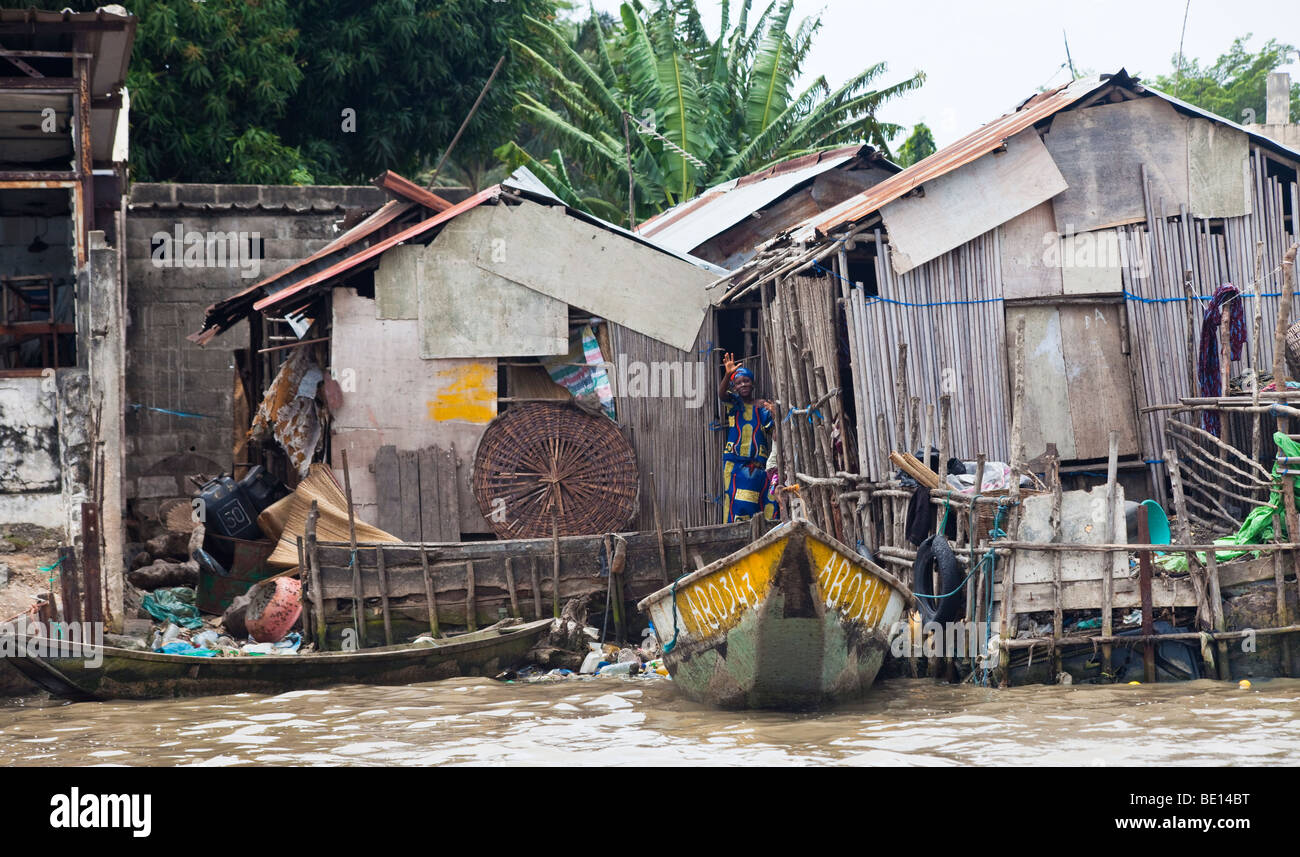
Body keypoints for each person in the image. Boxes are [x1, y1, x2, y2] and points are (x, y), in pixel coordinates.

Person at [718, 352, 779, 522]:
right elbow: (722, 394)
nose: (743, 384)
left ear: (752, 384)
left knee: (765, 505)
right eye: (738, 382)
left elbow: (774, 435)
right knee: (738, 504)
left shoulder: (762, 408)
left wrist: (775, 416)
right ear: (734, 387)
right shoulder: (734, 404)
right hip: (735, 464)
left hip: (759, 467)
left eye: (746, 381)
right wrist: (728, 374)